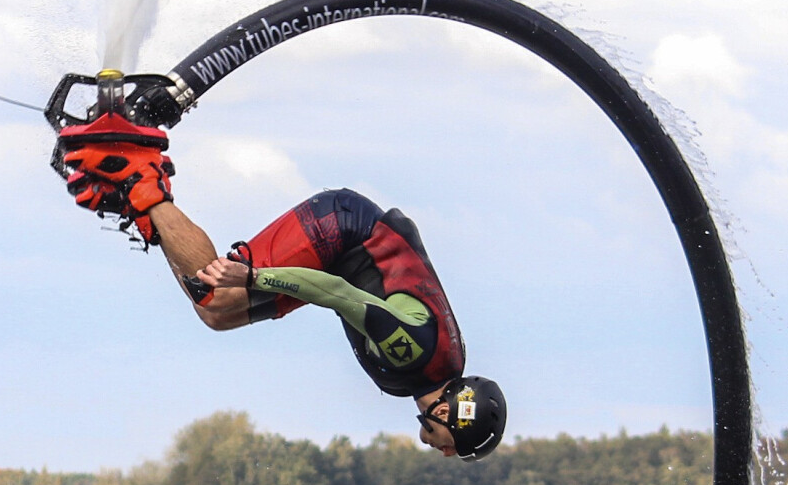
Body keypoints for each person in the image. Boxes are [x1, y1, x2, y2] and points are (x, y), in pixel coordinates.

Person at [53, 116, 506, 460]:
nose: (446, 454)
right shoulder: (414, 354)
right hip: (343, 230)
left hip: (343, 260)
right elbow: (336, 293)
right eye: (454, 448)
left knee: (216, 316)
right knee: (221, 293)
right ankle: (138, 176)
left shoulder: (433, 370)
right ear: (446, 415)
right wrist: (253, 277)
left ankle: (148, 206)